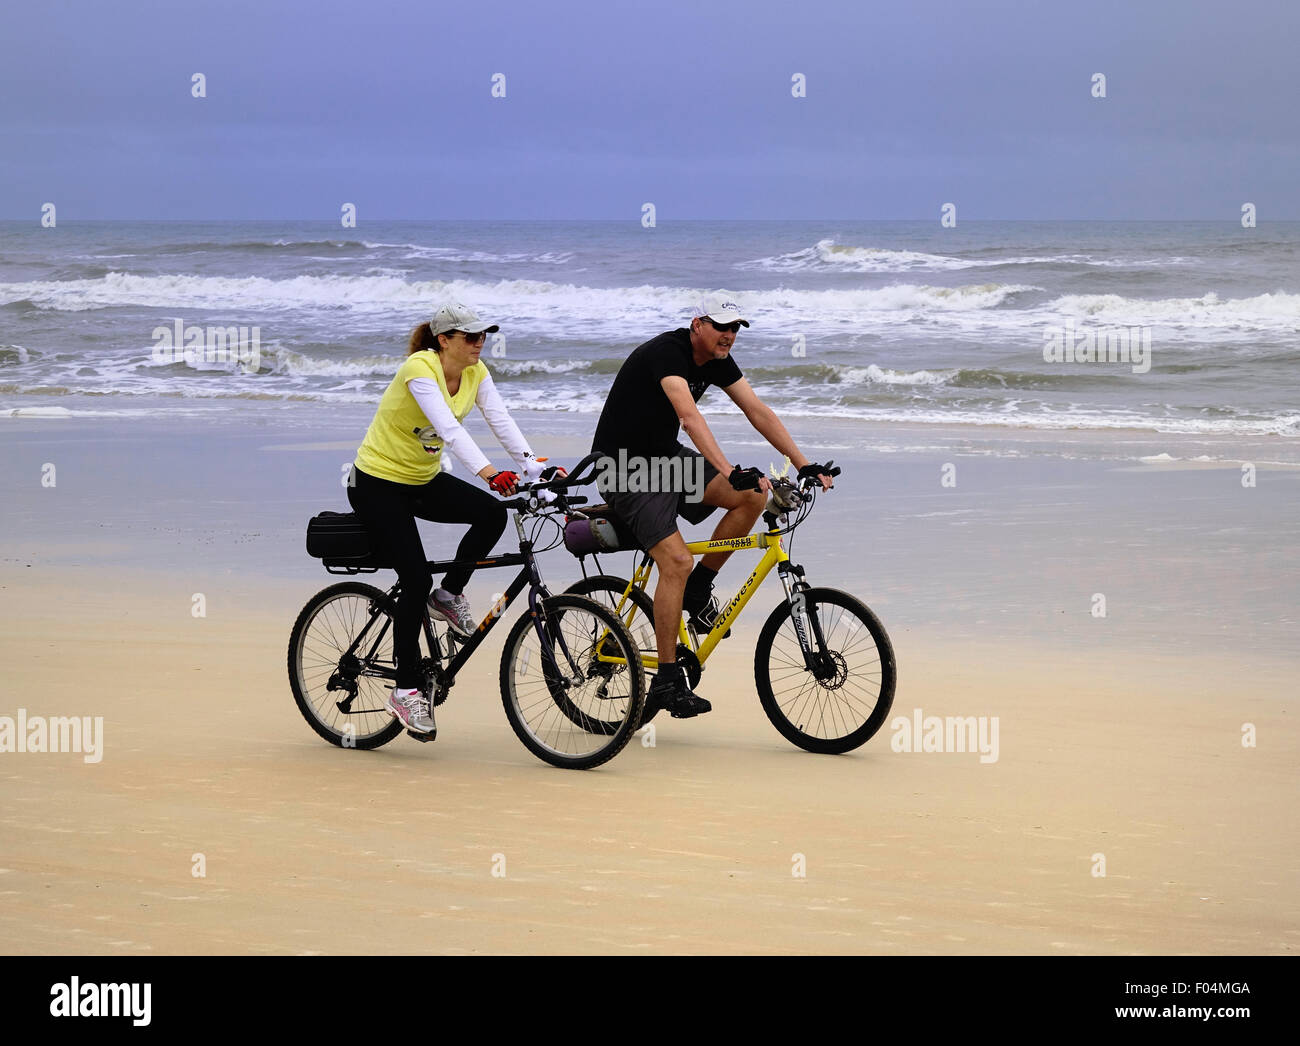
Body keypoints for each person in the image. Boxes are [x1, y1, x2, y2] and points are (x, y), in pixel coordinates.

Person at [589, 295, 837, 719]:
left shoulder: (719, 358)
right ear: (696, 324)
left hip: (665, 463)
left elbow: (756, 410)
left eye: (736, 328)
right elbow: (689, 418)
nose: (729, 335)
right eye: (721, 326)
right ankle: (667, 680)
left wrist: (804, 463)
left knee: (752, 496)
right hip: (623, 468)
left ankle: (700, 588)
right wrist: (728, 468)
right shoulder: (668, 353)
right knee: (676, 562)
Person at [347, 302, 555, 736]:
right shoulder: (419, 368)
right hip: (377, 485)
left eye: (484, 336)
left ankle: (449, 594)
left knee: (491, 516)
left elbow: (501, 420)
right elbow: (449, 429)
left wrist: (534, 467)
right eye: (471, 337)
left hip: (422, 481)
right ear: (444, 340)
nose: (480, 343)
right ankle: (405, 693)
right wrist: (488, 472)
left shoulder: (477, 374)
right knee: (415, 578)